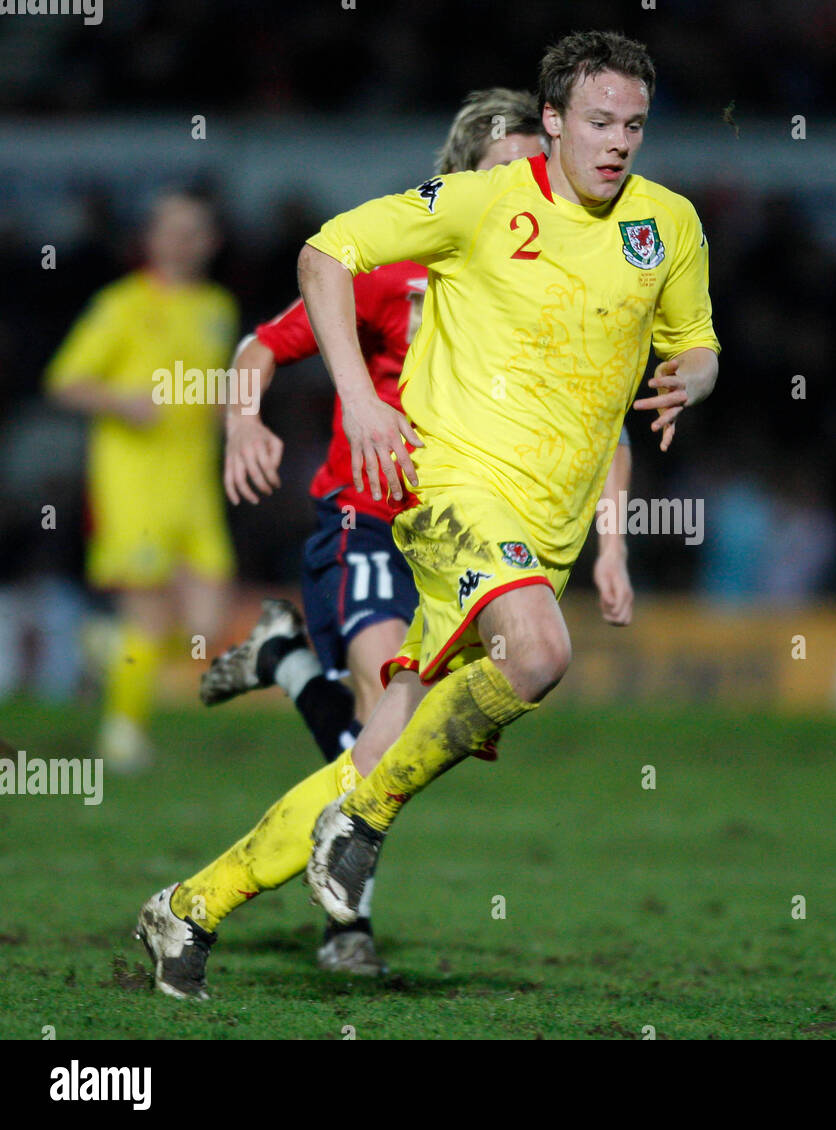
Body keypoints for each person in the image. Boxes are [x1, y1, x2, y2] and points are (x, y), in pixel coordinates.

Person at [137, 29, 718, 1000]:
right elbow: (323, 252)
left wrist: (688, 383)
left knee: (374, 749)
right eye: (599, 122)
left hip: (545, 527)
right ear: (553, 124)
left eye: (635, 125)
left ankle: (191, 904)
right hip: (440, 492)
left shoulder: (668, 225)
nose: (619, 142)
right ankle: (359, 828)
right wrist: (359, 399)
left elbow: (694, 345)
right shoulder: (481, 205)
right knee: (538, 651)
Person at [200, 88, 634, 976]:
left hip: (468, 545)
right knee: (380, 738)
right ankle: (343, 926)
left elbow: (607, 428)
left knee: (418, 739)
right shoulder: (399, 269)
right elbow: (258, 346)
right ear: (461, 177)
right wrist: (244, 422)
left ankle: (285, 660)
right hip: (368, 522)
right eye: (506, 170)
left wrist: (613, 540)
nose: (525, 189)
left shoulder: (545, 294)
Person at [45, 191, 237, 771]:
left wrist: (236, 413)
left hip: (195, 484)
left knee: (209, 619)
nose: (182, 241)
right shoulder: (120, 305)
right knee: (150, 613)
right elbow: (64, 382)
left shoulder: (217, 306)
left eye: (195, 230)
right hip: (134, 483)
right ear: (149, 239)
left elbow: (217, 388)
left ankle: (107, 648)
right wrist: (121, 401)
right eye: (171, 229)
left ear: (212, 242)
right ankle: (123, 734)